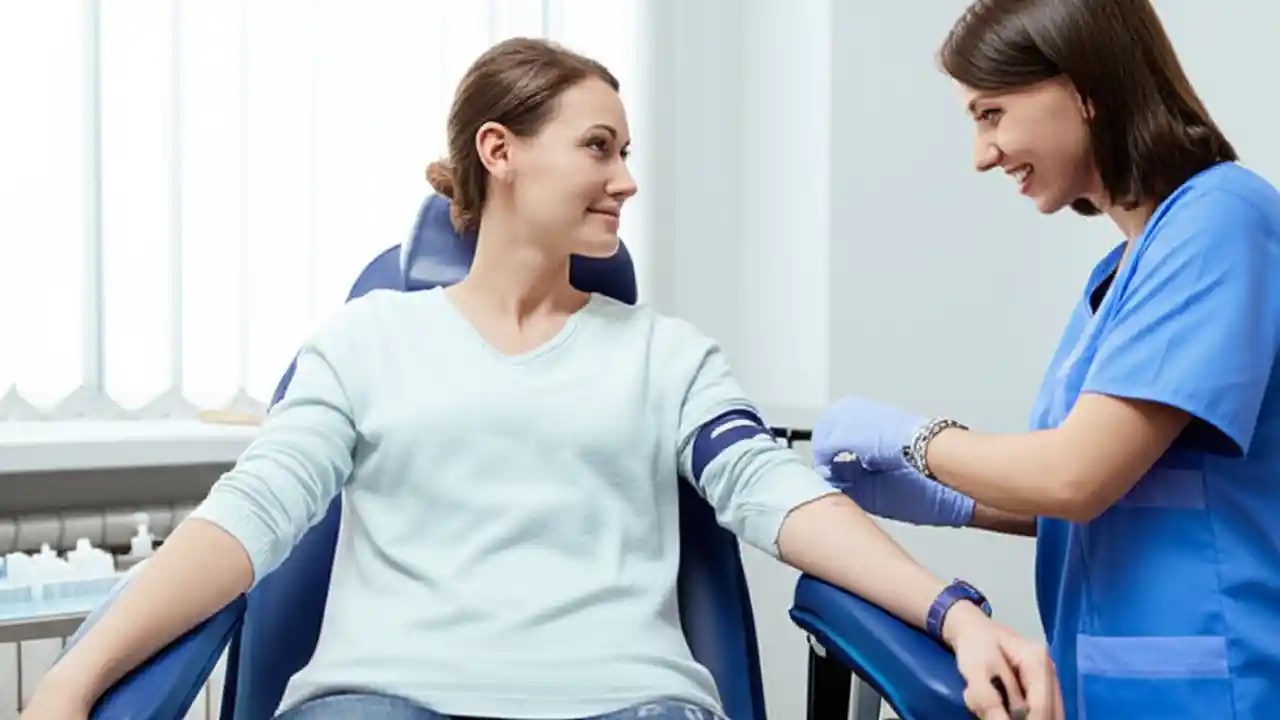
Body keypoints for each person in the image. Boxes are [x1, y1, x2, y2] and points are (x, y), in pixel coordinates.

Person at [23, 38, 1060, 720]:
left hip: (624, 702)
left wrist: (956, 612)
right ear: (499, 151)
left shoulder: (665, 356)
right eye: (597, 147)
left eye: (628, 149)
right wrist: (71, 681)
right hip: (387, 700)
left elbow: (778, 497)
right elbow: (242, 522)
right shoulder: (364, 344)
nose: (627, 176)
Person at [811, 1, 1280, 718]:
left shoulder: (1221, 222)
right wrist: (955, 501)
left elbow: (1074, 475)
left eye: (991, 113)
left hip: (1216, 688)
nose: (981, 153)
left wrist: (920, 442)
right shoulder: (1118, 276)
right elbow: (1113, 483)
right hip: (1109, 687)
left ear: (1085, 88)